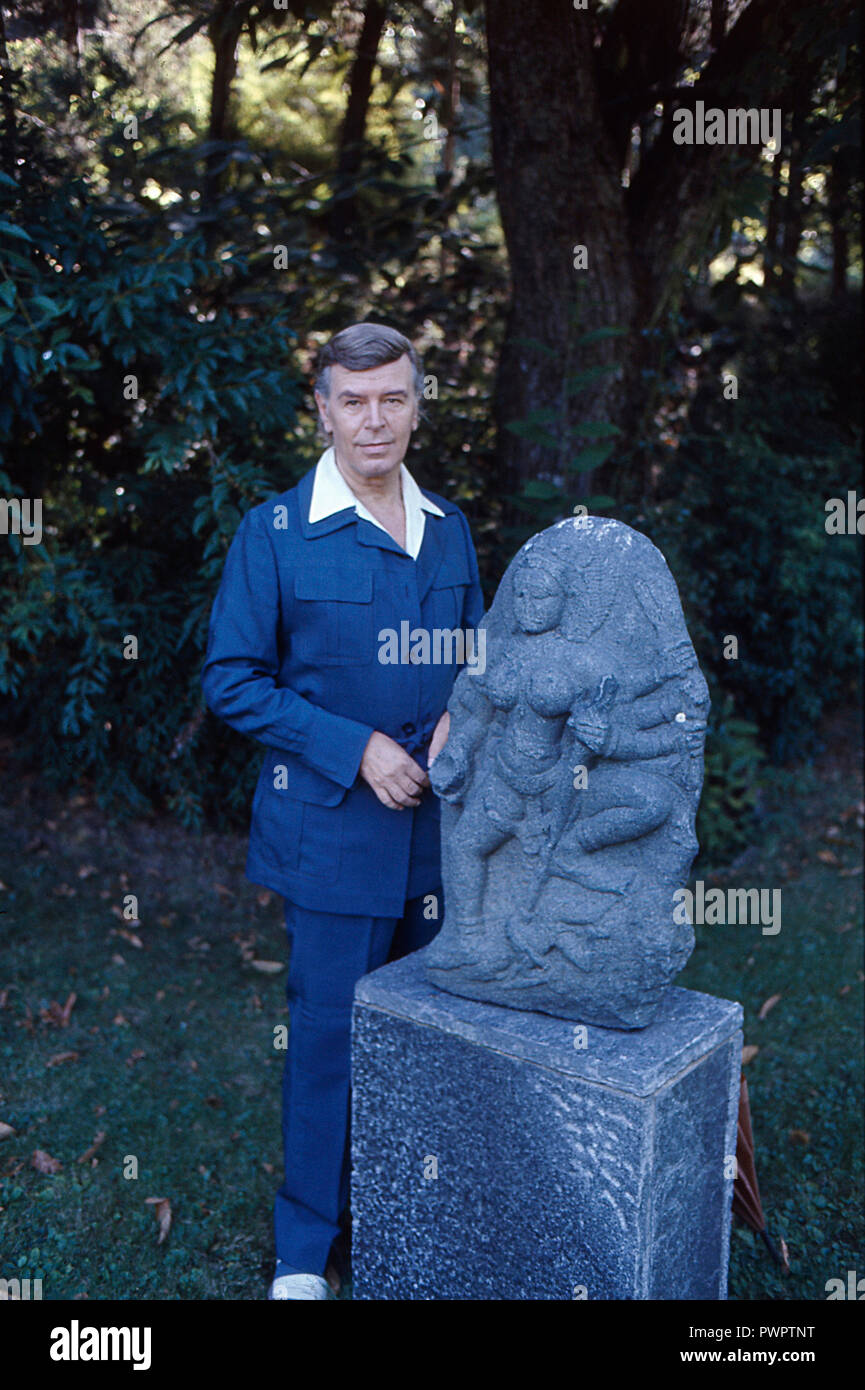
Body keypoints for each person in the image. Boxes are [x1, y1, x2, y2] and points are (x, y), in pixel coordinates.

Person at [201, 322, 484, 1299]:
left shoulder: (447, 526)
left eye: (392, 398)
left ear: (416, 404)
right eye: (352, 401)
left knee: (426, 1036)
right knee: (327, 1036)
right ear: (321, 409)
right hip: (330, 834)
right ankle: (302, 1249)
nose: (374, 420)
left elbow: (477, 655)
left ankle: (411, 1209)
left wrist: (459, 711)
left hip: (436, 843)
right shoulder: (272, 532)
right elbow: (231, 681)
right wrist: (351, 746)